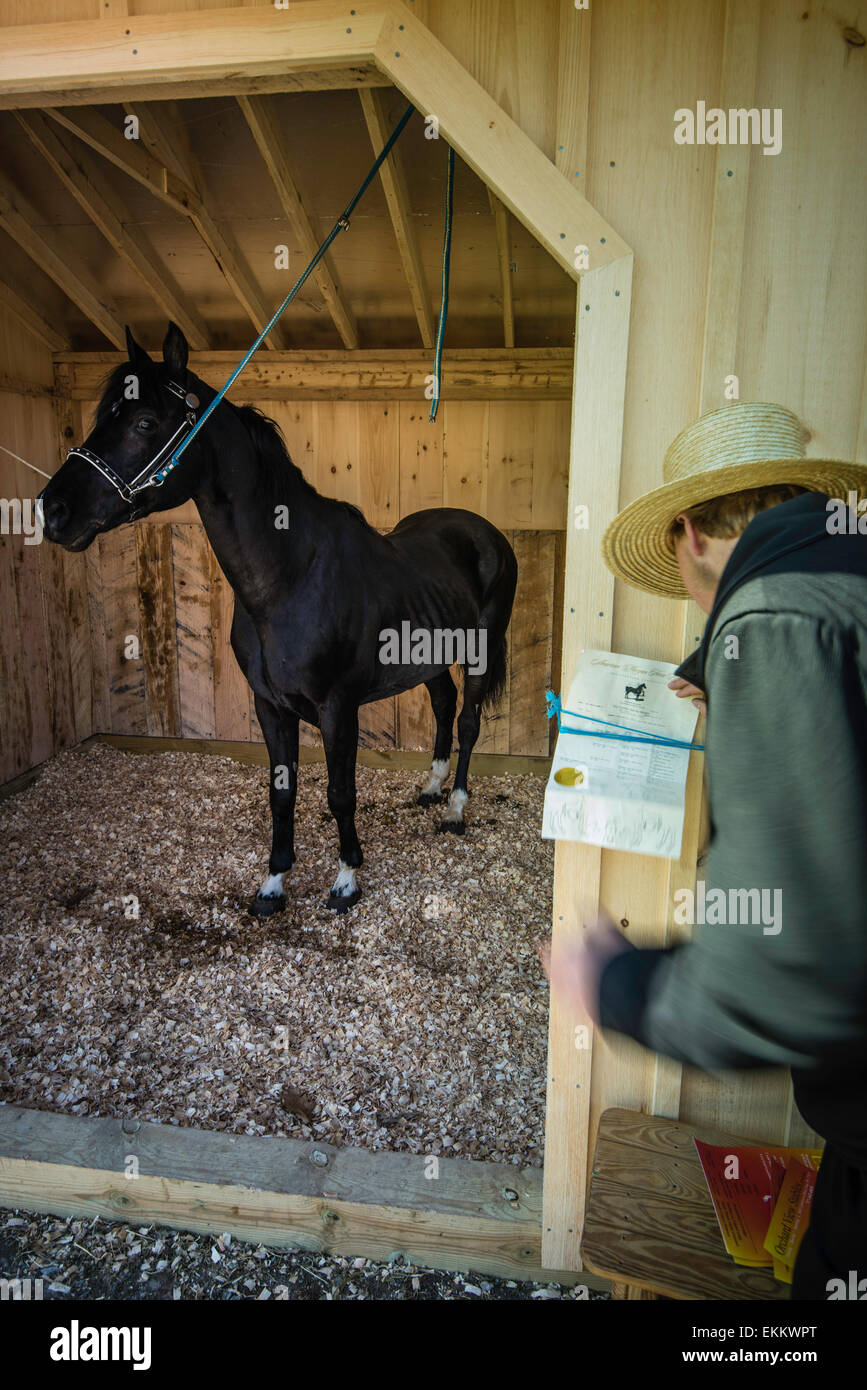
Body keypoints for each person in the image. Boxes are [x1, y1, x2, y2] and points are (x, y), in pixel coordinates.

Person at [542, 401, 867, 1300]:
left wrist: (611, 982)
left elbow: (785, 974)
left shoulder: (769, 619)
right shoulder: (838, 577)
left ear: (688, 535)